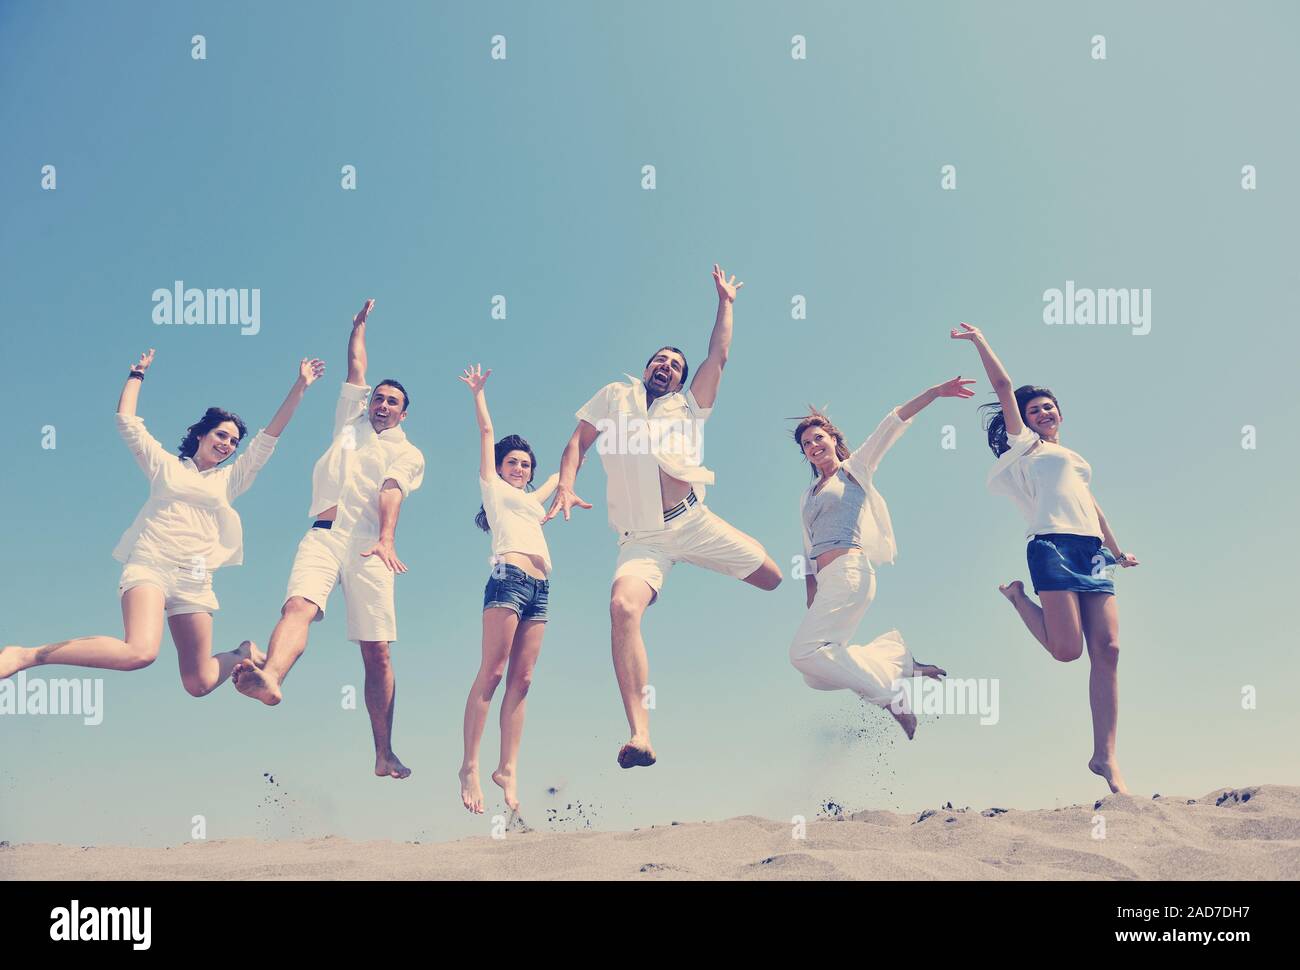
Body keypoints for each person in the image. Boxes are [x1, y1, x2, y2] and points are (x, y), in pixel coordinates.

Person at [545, 264, 783, 769]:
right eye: (660, 360)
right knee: (622, 609)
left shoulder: (690, 406)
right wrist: (566, 483)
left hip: (694, 522)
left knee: (774, 579)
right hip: (643, 539)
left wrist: (726, 303)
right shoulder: (615, 396)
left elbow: (718, 354)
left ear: (681, 376)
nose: (667, 366)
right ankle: (640, 734)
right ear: (646, 366)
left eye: (676, 364)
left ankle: (701, 562)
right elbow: (578, 442)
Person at [0, 348, 323, 693]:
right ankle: (28, 655)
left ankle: (243, 652)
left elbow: (269, 437)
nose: (227, 444)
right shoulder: (165, 466)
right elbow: (127, 421)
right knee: (140, 651)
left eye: (233, 441)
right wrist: (136, 376)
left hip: (195, 577)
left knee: (198, 683)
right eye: (221, 435)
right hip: (151, 564)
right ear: (201, 434)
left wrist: (300, 386)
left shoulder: (231, 479)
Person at [233, 300, 425, 781]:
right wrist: (357, 329)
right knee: (298, 607)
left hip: (370, 546)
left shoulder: (409, 452)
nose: (381, 405)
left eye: (391, 402)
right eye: (377, 398)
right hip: (322, 535)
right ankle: (272, 677)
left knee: (376, 650)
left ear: (404, 414)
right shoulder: (349, 421)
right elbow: (356, 365)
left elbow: (391, 489)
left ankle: (383, 753)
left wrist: (385, 539)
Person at [951, 321, 1138, 793]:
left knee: (1109, 651)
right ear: (1025, 419)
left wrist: (1116, 549)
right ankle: (1017, 598)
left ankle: (1105, 756)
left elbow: (1091, 505)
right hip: (1051, 545)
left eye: (1049, 406)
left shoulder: (1073, 458)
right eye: (1034, 410)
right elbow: (1001, 386)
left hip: (1091, 549)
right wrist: (979, 341)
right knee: (1067, 651)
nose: (1043, 412)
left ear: (1060, 413)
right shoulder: (1026, 447)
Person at [790, 376, 971, 736]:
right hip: (828, 583)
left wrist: (934, 393)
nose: (813, 445)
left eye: (818, 438)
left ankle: (892, 698)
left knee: (802, 654)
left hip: (851, 572)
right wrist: (811, 595)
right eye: (806, 444)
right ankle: (897, 659)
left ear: (834, 441)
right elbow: (807, 551)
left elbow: (892, 423)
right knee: (815, 676)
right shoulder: (807, 495)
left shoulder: (854, 469)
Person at [456, 364, 558, 814]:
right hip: (507, 581)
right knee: (493, 672)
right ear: (499, 468)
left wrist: (588, 438)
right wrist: (479, 394)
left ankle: (508, 768)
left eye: (525, 465)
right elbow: (485, 430)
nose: (520, 468)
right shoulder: (494, 490)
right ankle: (470, 767)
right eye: (513, 462)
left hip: (541, 588)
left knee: (524, 679)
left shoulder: (532, 504)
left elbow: (562, 476)